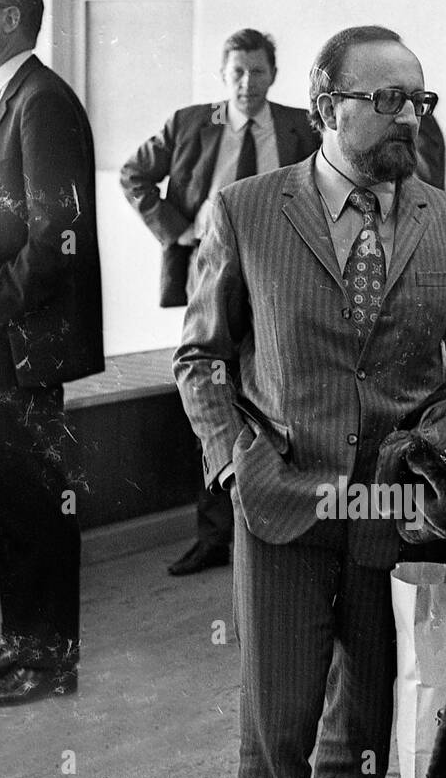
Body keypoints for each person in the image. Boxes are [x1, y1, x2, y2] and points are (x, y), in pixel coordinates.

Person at [174, 24, 446, 778]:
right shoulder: (244, 210)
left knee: (361, 736)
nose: (410, 116)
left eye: (421, 100)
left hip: (394, 517)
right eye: (389, 99)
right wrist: (233, 462)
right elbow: (200, 358)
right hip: (281, 506)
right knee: (272, 735)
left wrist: (445, 468)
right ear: (326, 102)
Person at [0, 0, 103, 706]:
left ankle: (50, 659)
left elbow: (57, 232)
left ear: (9, 18)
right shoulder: (4, 95)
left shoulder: (42, 103)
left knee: (35, 503)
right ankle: (21, 642)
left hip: (19, 343)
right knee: (5, 500)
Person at [121, 29, 317, 576]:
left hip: (280, 286)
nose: (247, 83)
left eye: (257, 72)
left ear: (273, 74)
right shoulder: (189, 123)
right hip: (209, 284)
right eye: (237, 72)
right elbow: (134, 173)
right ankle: (214, 536)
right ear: (222, 75)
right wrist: (176, 229)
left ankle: (276, 529)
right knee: (208, 396)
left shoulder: (300, 125)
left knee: (276, 398)